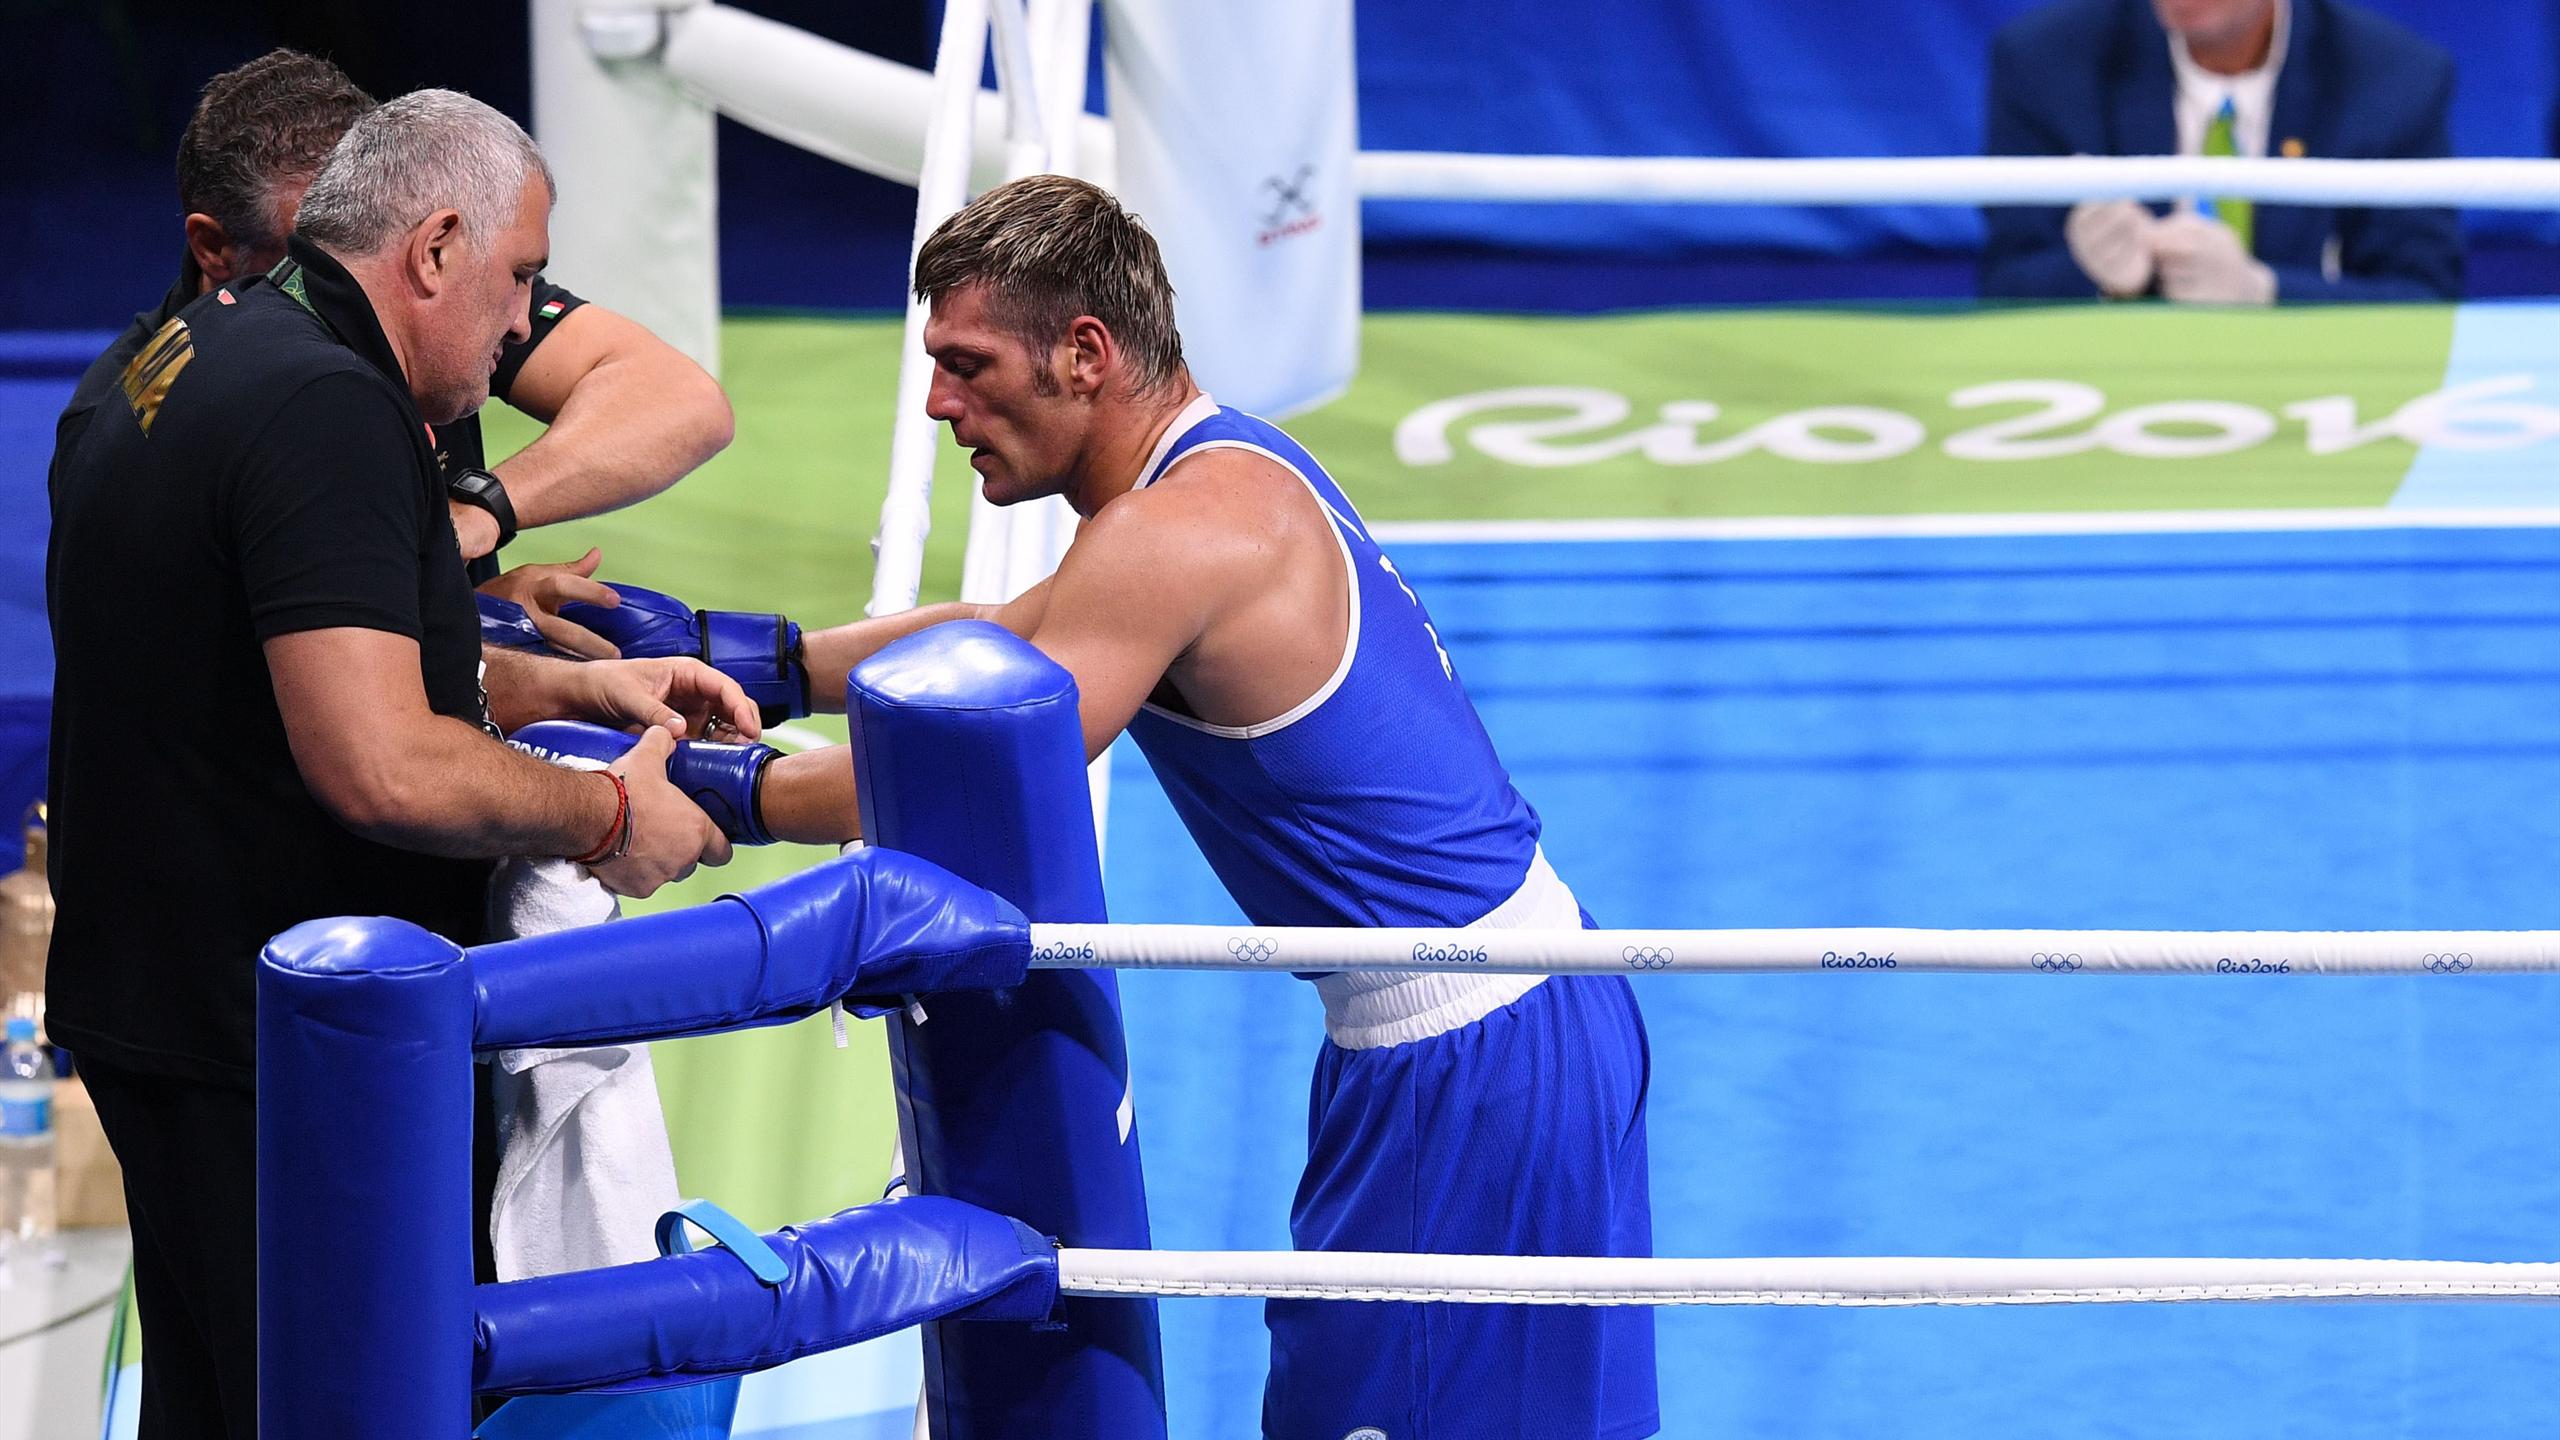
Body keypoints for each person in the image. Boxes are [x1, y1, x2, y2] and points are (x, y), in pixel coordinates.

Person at [594, 175, 1656, 1440]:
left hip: (1466, 1052)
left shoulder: (1171, 537)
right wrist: (767, 661)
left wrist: (713, 790)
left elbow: (975, 767)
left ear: (1085, 354)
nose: (940, 403)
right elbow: (1014, 630)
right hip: (1511, 1011)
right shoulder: (1224, 465)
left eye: (967, 363)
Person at [45, 91, 747, 1440]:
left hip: (179, 1020)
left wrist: (567, 684)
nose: (519, 326)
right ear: (430, 250)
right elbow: (382, 765)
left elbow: (275, 669)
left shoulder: (179, 354)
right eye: (519, 280)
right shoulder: (328, 410)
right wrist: (606, 813)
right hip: (287, 1052)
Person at [54, 48, 733, 650]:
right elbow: (269, 701)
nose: (365, 265)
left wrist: (482, 510)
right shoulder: (130, 424)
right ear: (213, 248)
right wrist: (473, 623)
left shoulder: (425, 278)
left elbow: (680, 402)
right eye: (314, 247)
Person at [1980, 0, 2462, 303]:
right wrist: (2093, 276)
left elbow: (2424, 294)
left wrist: (2267, 292)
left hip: (2302, 392)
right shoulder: (2044, 62)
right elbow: (2004, 281)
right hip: (2107, 385)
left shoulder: (2393, 79)